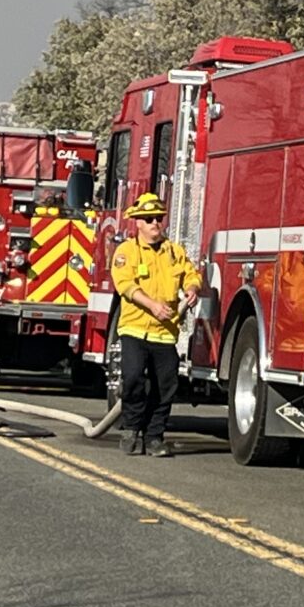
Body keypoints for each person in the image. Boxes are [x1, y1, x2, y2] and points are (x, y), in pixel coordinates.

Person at [107, 193, 200, 457]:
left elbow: (191, 274)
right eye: (148, 219)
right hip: (135, 328)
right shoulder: (126, 252)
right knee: (134, 378)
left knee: (167, 385)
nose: (155, 223)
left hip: (165, 333)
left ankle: (155, 436)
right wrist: (153, 306)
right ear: (137, 223)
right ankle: (131, 430)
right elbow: (125, 285)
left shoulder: (174, 252)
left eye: (158, 218)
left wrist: (192, 288)